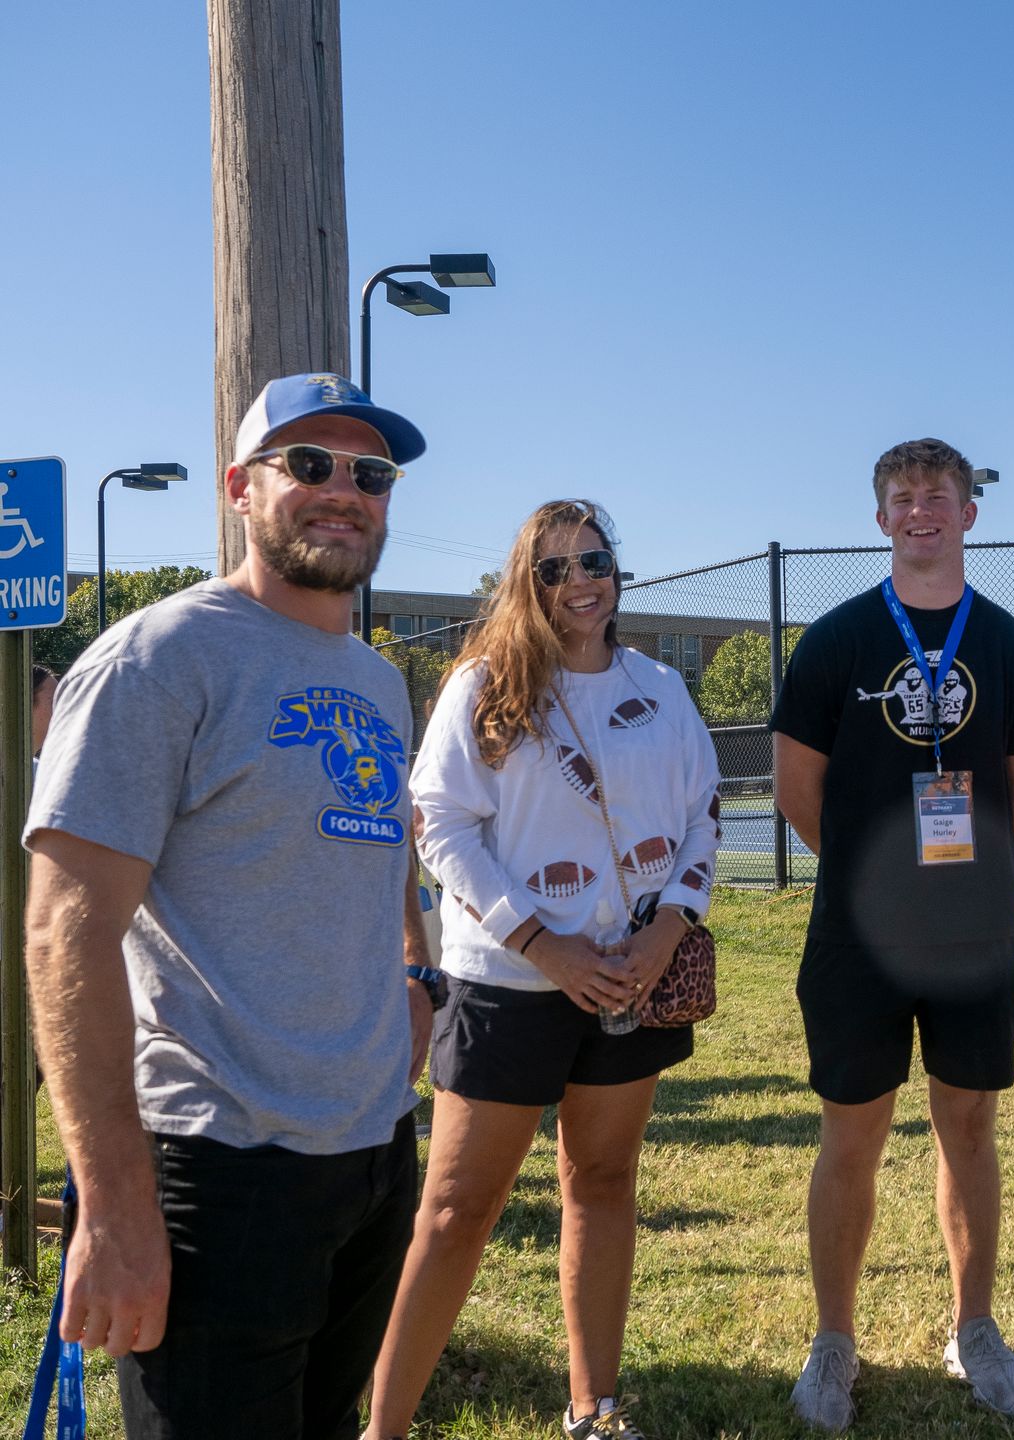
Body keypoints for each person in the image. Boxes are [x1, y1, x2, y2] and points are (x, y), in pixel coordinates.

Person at [24, 372, 435, 1438]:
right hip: (218, 1167)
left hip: (373, 1149)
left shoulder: (378, 679)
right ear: (237, 489)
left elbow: (377, 852)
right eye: (307, 464)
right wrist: (111, 1205)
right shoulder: (158, 659)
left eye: (369, 472)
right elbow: (64, 936)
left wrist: (414, 973)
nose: (342, 490)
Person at [366, 500, 720, 1440]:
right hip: (509, 983)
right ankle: (383, 1429)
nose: (581, 581)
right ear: (528, 579)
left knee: (602, 1183)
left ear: (617, 570)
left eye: (595, 560)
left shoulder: (659, 687)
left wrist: (668, 931)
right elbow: (438, 823)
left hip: (631, 981)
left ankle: (594, 1409)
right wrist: (543, 945)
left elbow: (700, 817)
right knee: (456, 1209)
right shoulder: (485, 685)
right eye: (557, 567)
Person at [771, 438, 1014, 1431]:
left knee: (967, 1127)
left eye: (940, 494)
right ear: (881, 518)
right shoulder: (837, 640)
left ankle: (973, 1327)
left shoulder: (1013, 645)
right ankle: (833, 1341)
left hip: (974, 932)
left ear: (970, 513)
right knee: (851, 1134)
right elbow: (798, 789)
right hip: (856, 937)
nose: (922, 509)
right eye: (903, 496)